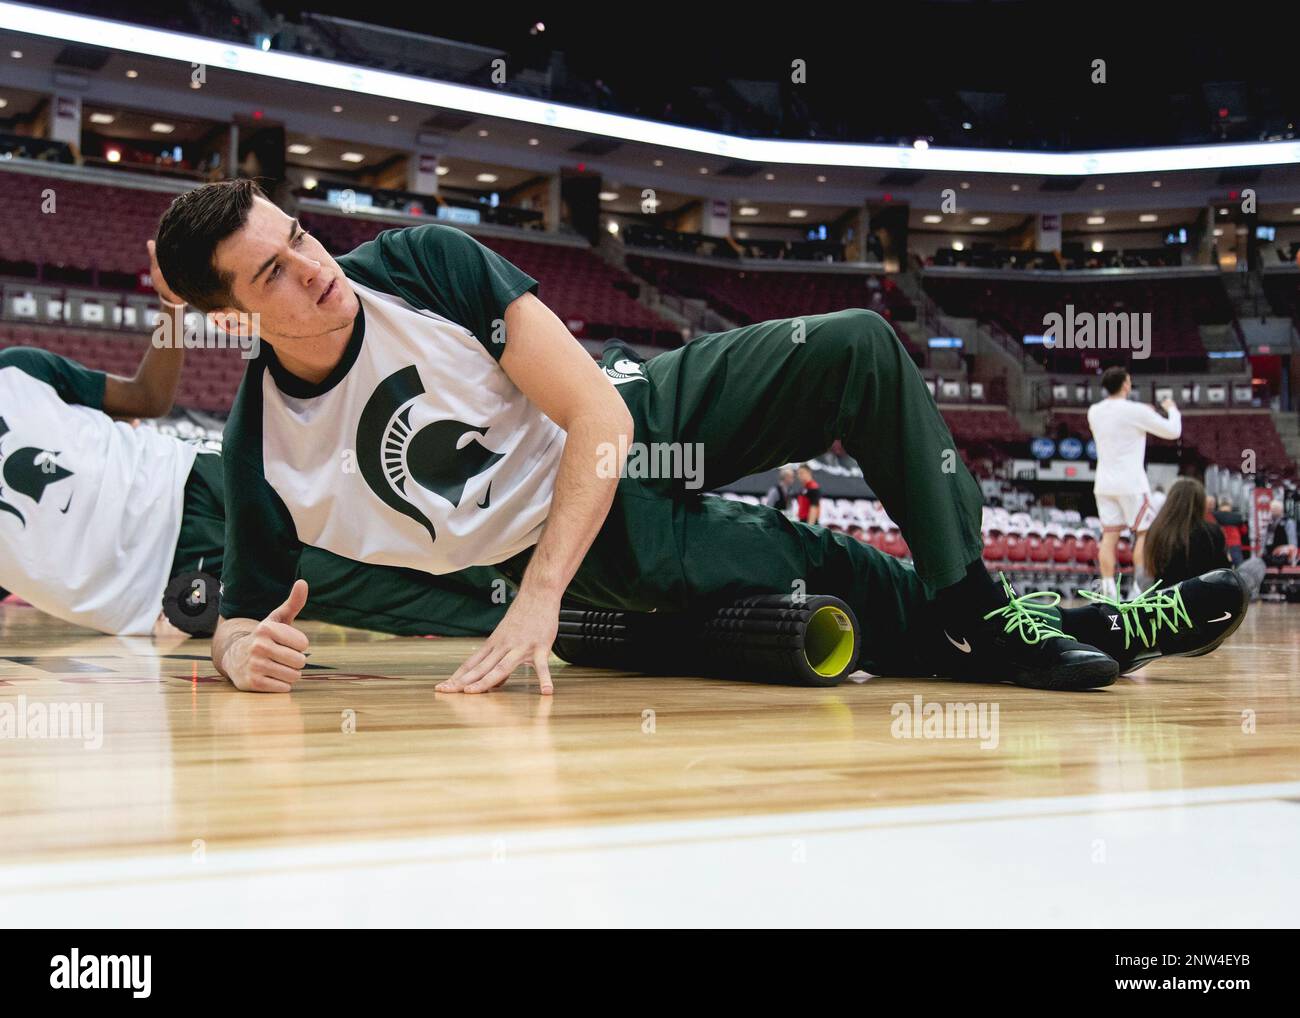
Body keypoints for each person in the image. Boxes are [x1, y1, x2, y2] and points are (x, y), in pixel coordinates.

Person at [150, 180, 1238, 696]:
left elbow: (603, 415)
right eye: (273, 273)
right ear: (230, 313)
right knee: (830, 575)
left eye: (298, 235)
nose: (313, 267)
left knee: (856, 343)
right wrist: (240, 647)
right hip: (592, 550)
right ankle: (1108, 619)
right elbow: (235, 613)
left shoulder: (422, 264)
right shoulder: (262, 450)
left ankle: (978, 608)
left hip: (629, 421)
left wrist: (536, 601)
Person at [0, 243, 506, 639]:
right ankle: (549, 619)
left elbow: (148, 398)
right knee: (360, 584)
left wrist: (171, 306)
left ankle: (548, 575)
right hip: (164, 576)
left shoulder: (18, 370)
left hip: (189, 474)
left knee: (375, 517)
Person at [1087, 367, 1181, 599]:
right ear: (1126, 385)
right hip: (1131, 483)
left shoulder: (1094, 411)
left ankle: (1108, 591)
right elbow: (1173, 432)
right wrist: (1171, 409)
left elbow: (1121, 419)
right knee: (1143, 534)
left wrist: (1141, 413)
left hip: (1104, 483)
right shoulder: (1135, 410)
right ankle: (1139, 589)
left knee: (1108, 537)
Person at [1142, 478, 1229, 584]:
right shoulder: (1210, 532)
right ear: (1200, 503)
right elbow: (1223, 572)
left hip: (1164, 597)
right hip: (1202, 596)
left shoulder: (1156, 530)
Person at [1212, 497, 1246, 567]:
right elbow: (1244, 531)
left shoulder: (1214, 516)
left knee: (1220, 566)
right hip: (1234, 543)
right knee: (1239, 566)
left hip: (1221, 544)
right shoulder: (1237, 517)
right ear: (1230, 506)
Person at [1265, 499, 1298, 566]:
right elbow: (1268, 541)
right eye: (1272, 508)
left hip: (1284, 558)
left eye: (1274, 509)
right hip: (1272, 557)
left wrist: (1292, 561)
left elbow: (1293, 545)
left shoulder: (1288, 523)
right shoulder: (1270, 523)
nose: (1271, 511)